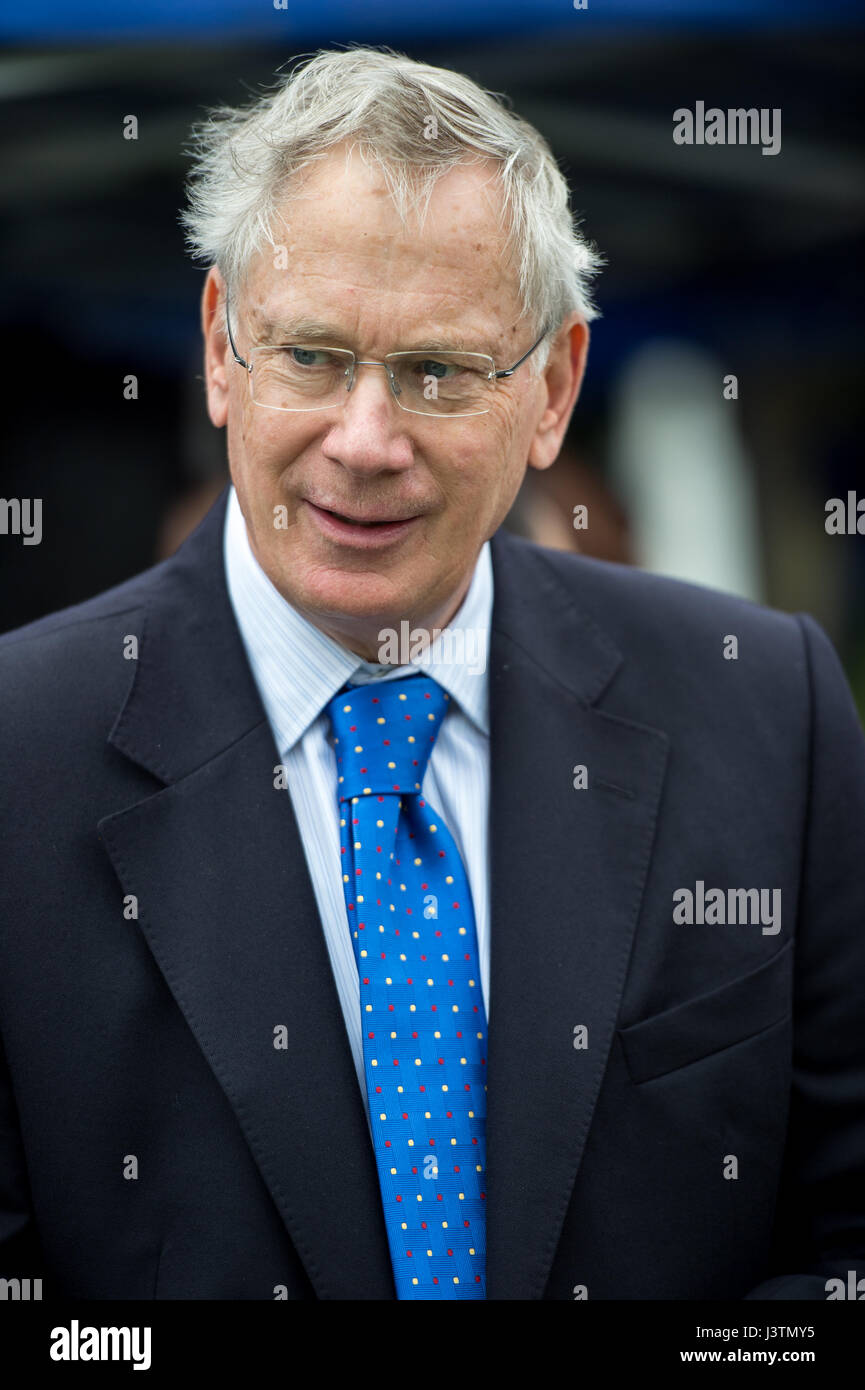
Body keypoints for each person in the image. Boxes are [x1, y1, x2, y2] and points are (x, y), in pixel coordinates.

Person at [0, 46, 862, 1302]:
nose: (365, 441)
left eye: (438, 373)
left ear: (555, 387)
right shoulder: (20, 758)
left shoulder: (765, 711)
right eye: (310, 356)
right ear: (220, 349)